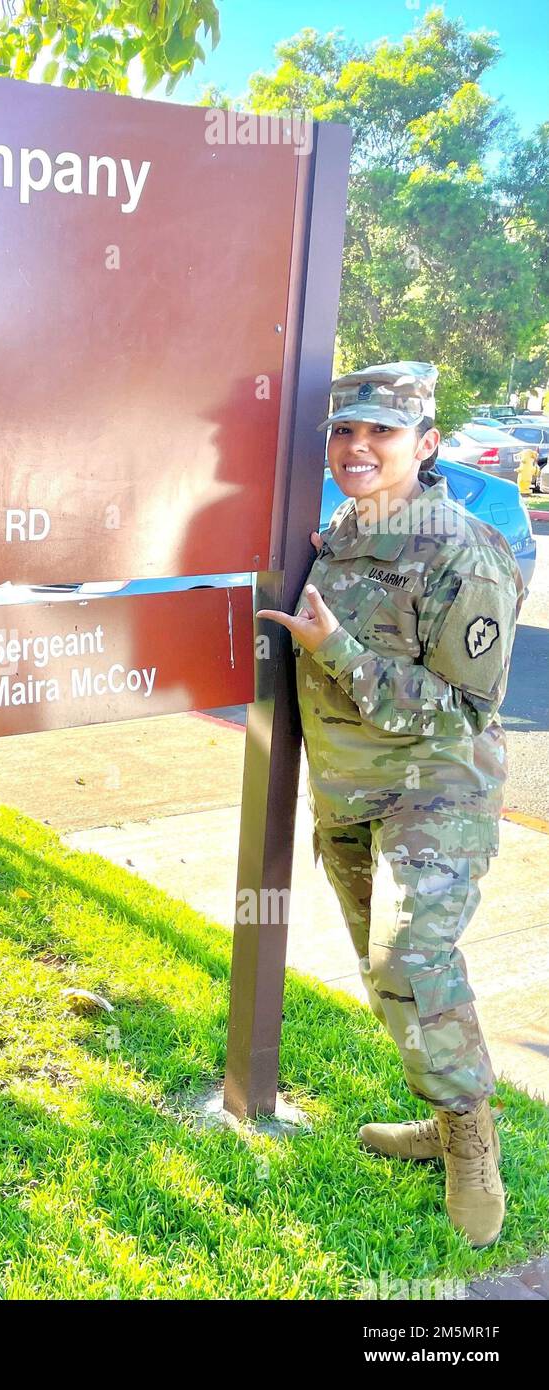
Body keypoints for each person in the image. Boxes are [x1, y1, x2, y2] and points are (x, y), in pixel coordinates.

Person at [257, 361, 526, 1249]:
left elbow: (464, 710)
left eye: (382, 432)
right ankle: (441, 1111)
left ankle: (468, 1137)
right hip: (348, 788)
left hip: (436, 790)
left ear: (428, 443)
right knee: (389, 978)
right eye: (345, 431)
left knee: (413, 960)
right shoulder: (333, 531)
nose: (358, 447)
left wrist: (337, 651)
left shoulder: (463, 550)